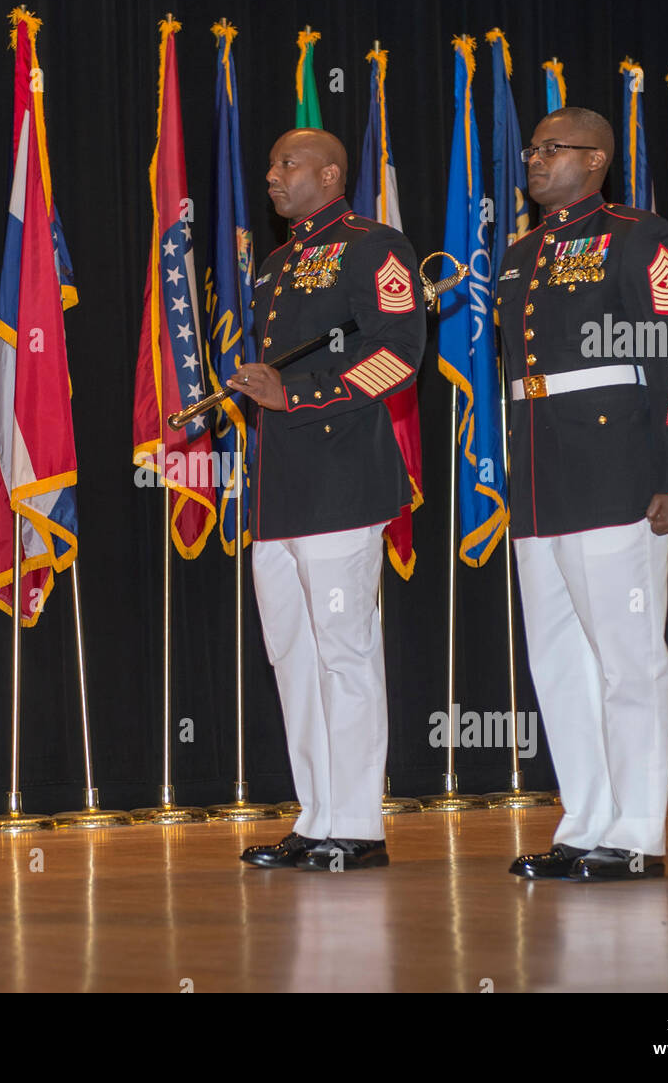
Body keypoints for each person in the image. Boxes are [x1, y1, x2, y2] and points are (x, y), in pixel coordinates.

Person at [497, 107, 668, 881]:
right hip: (541, 479)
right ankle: (584, 821)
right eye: (531, 149)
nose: (534, 160)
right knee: (557, 661)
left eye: (551, 149)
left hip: (617, 470)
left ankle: (636, 832)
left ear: (596, 160)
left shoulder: (638, 235)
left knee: (628, 659)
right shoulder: (520, 254)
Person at [227, 129, 426, 871]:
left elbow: (400, 356)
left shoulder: (375, 246)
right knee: (293, 655)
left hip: (343, 483)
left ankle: (357, 823)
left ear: (331, 173)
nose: (272, 176)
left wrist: (301, 394)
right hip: (280, 490)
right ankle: (316, 817)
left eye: (287, 164)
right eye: (272, 163)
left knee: (344, 651)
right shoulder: (278, 264)